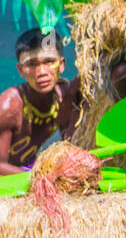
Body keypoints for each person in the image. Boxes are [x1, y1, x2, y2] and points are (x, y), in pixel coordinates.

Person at [0, 29, 81, 173]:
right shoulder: (9, 106)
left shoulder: (66, 96)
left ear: (61, 64)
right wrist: (40, 178)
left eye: (49, 61)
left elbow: (73, 145)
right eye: (32, 64)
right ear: (21, 70)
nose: (42, 72)